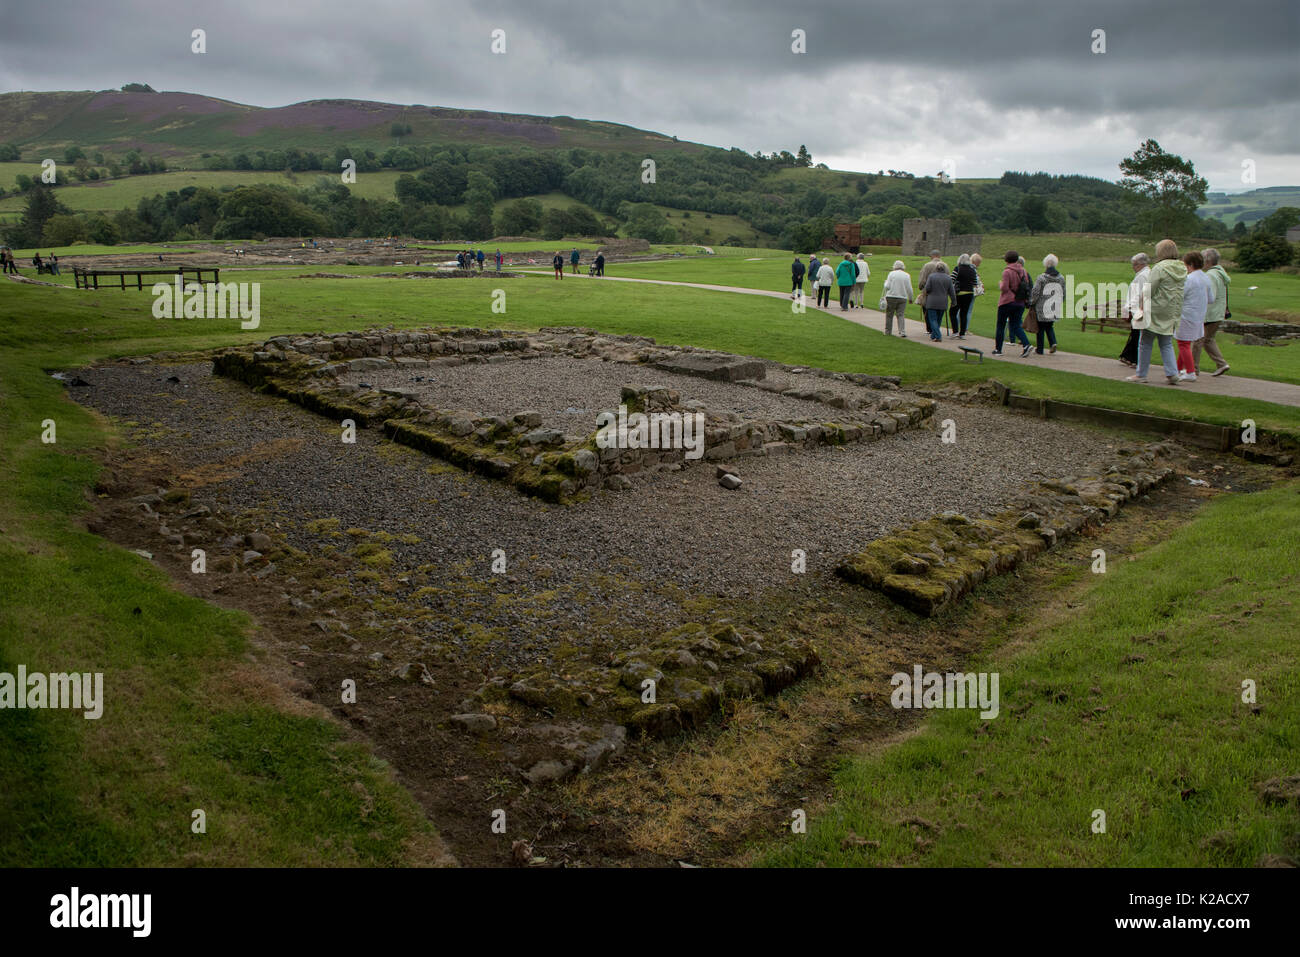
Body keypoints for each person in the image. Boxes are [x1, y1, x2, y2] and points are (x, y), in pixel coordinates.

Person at [1128, 239, 1185, 386]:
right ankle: (1172, 373)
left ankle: (1141, 374)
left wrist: (1141, 306)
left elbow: (1148, 290)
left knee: (1145, 341)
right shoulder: (1181, 268)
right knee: (1166, 342)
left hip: (1155, 308)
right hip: (1172, 309)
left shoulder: (1159, 268)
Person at [1176, 250, 1211, 382]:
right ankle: (1177, 369)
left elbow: (1180, 296)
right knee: (1184, 342)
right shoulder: (1206, 278)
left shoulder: (1189, 279)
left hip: (1187, 315)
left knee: (1183, 343)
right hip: (1199, 316)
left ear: (1190, 264)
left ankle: (1190, 372)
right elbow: (1211, 298)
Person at [1196, 248, 1231, 376]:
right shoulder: (1220, 273)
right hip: (1218, 313)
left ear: (1208, 261)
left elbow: (1210, 296)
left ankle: (1193, 369)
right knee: (1208, 340)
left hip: (1210, 314)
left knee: (1198, 340)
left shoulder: (1211, 275)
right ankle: (1222, 364)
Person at [995, 250, 1033, 357]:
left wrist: (1000, 284)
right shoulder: (1023, 271)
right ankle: (1026, 344)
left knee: (1001, 325)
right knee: (1016, 325)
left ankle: (998, 349)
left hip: (1007, 301)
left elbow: (1005, 288)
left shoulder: (1007, 271)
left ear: (1006, 260)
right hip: (1020, 301)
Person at [1119, 253, 1150, 367]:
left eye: (1134, 264)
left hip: (1139, 310)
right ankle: (1130, 357)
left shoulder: (1142, 276)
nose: (1133, 267)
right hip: (1142, 309)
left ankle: (1135, 360)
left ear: (1140, 264)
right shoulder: (1146, 274)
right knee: (1136, 335)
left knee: (1137, 336)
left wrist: (1128, 309)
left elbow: (1137, 295)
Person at [1030, 254, 1065, 354]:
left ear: (1045, 264)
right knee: (1049, 325)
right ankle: (1052, 342)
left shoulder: (1041, 278)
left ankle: (1040, 349)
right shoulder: (1061, 278)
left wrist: (1032, 302)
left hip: (1042, 305)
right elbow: (1063, 292)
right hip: (1054, 305)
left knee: (1040, 327)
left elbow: (1036, 292)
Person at [922, 262, 956, 341]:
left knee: (933, 319)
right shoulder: (948, 278)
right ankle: (934, 335)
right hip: (943, 302)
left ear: (936, 268)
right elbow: (952, 291)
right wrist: (954, 301)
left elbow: (927, 288)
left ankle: (938, 336)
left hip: (932, 301)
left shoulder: (931, 276)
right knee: (938, 320)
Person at [882, 260, 913, 336]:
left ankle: (888, 331)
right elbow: (909, 288)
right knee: (901, 314)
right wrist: (910, 298)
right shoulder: (907, 275)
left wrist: (885, 282)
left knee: (889, 314)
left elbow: (887, 286)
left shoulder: (891, 274)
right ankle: (902, 331)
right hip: (902, 297)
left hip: (891, 296)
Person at [951, 253, 977, 338]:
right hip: (969, 293)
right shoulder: (972, 270)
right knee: (964, 313)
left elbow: (951, 280)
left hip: (959, 293)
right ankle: (962, 333)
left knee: (952, 312)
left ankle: (955, 331)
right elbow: (975, 283)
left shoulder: (957, 269)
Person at [916, 248, 943, 326]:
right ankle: (936, 327)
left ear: (934, 256)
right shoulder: (945, 265)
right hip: (941, 292)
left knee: (926, 308)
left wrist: (921, 287)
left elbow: (922, 278)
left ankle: (930, 328)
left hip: (928, 291)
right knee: (939, 310)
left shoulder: (927, 265)